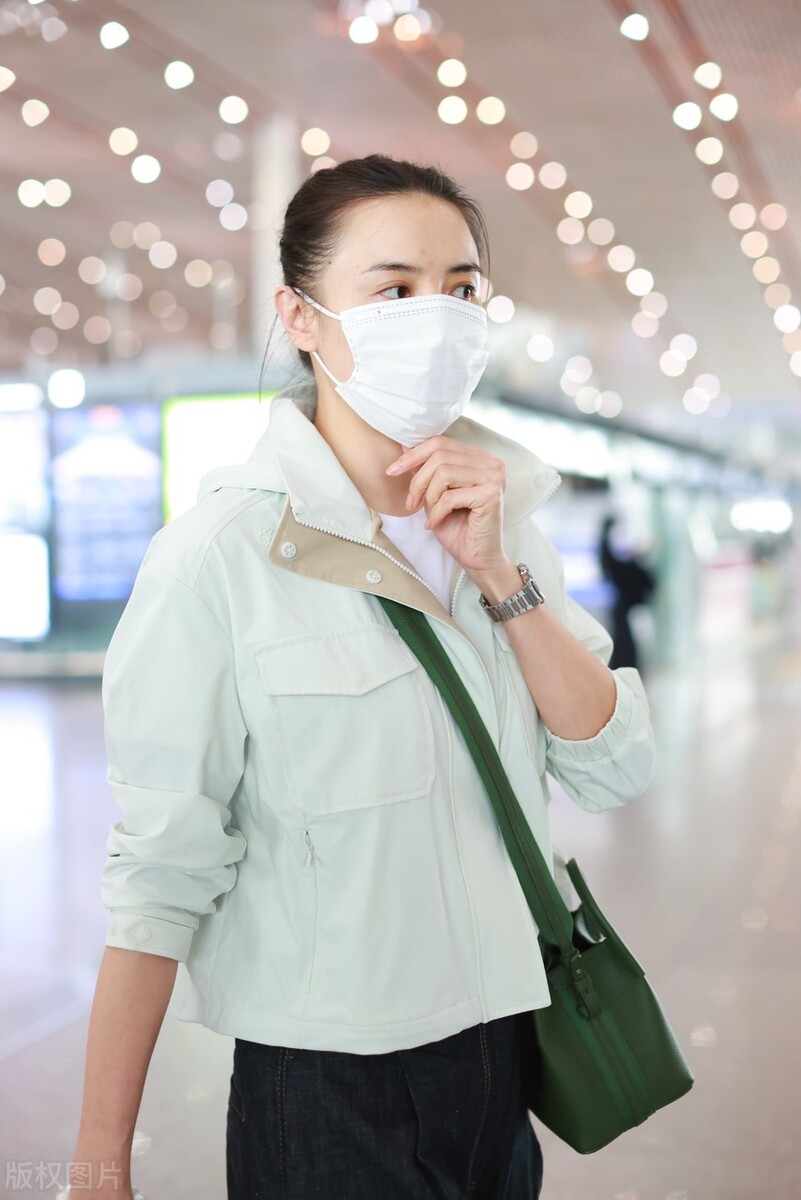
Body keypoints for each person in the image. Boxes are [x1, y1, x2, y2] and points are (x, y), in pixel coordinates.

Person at [70, 155, 656, 1199]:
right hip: (325, 1088)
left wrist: (502, 577)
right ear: (300, 317)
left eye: (461, 288)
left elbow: (615, 769)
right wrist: (98, 1166)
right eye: (392, 290)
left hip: (506, 1058)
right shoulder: (220, 556)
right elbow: (159, 875)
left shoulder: (505, 525)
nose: (436, 317)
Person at [598, 514, 656, 671]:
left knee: (626, 643)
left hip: (625, 606)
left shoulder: (617, 556)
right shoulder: (612, 556)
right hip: (622, 606)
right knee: (623, 644)